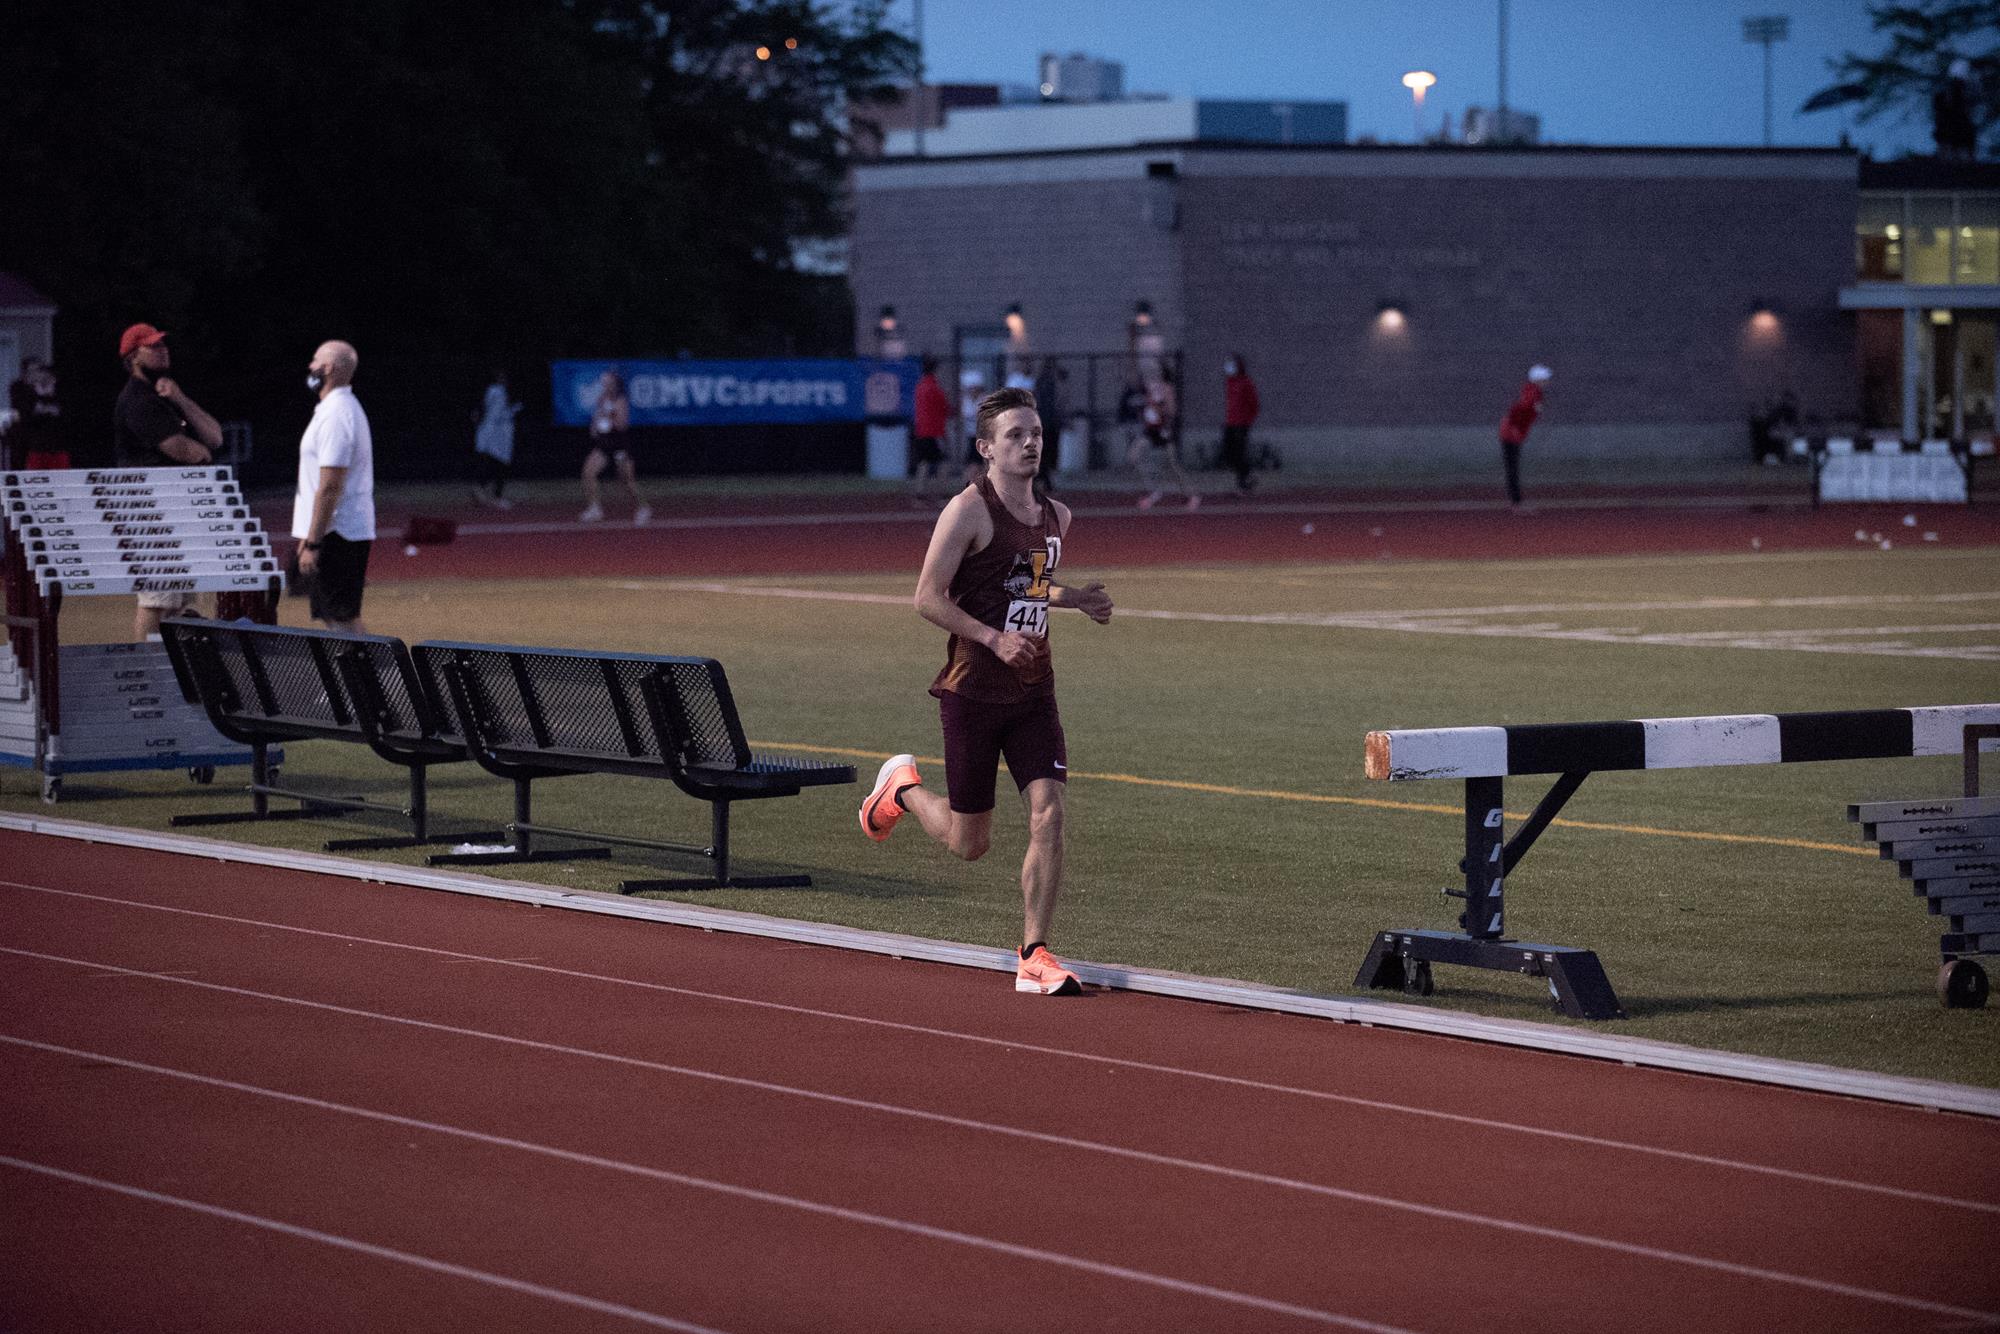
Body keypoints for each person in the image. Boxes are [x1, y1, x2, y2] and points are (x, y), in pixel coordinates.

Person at [859, 385, 1115, 996]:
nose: (1031, 444)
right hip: (973, 691)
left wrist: (1076, 599)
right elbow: (927, 597)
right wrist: (992, 639)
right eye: (1016, 436)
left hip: (1033, 689)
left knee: (1049, 813)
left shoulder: (1056, 517)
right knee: (968, 844)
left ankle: (1034, 954)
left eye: (1037, 434)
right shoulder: (968, 511)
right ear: (986, 448)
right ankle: (902, 789)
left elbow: (1026, 588)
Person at [113, 323, 222, 639]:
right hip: (149, 510)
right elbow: (184, 450)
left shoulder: (164, 394)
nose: (163, 350)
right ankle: (149, 667)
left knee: (178, 599)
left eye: (163, 345)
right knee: (157, 599)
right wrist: (199, 452)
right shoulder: (137, 399)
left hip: (172, 507)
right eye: (153, 346)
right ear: (134, 356)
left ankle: (169, 668)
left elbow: (213, 438)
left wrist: (181, 398)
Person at [291, 340, 376, 633]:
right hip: (335, 529)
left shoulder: (337, 414)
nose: (310, 367)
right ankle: (359, 676)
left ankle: (367, 678)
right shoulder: (334, 409)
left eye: (315, 361)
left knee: (340, 617)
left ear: (328, 368)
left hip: (338, 531)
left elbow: (330, 485)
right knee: (333, 615)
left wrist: (313, 541)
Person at [580, 369, 649, 525]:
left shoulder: (621, 400)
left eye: (608, 383)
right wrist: (594, 426)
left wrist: (609, 416)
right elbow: (596, 417)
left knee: (626, 480)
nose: (605, 386)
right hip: (604, 443)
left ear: (615, 385)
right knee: (588, 472)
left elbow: (622, 425)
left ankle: (643, 507)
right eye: (604, 383)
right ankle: (595, 509)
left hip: (620, 445)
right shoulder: (602, 399)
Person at [1132, 366, 1198, 510]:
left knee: (1172, 465)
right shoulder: (1148, 390)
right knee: (1135, 455)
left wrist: (1160, 409)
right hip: (1149, 432)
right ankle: (1155, 490)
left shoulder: (1166, 389)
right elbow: (1146, 410)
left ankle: (1190, 494)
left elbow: (1171, 412)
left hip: (1162, 432)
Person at [1499, 363, 1552, 510]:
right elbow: (1518, 410)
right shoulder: (1533, 392)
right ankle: (1516, 502)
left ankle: (1516, 501)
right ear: (1538, 379)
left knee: (1513, 467)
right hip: (1510, 433)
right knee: (1512, 467)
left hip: (1513, 432)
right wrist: (1515, 428)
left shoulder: (1534, 391)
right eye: (1545, 378)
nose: (1547, 380)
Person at [471, 371, 521, 508]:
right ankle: (483, 491)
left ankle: (495, 494)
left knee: (501, 463)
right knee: (489, 461)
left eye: (504, 377)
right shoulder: (494, 391)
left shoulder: (506, 393)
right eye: (500, 377)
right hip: (492, 432)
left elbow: (511, 410)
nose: (503, 380)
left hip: (502, 433)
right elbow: (480, 411)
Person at [8, 358, 67, 471]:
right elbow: (24, 415)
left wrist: (49, 395)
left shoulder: (57, 391)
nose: (37, 375)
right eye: (34, 371)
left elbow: (64, 416)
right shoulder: (21, 390)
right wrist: (39, 395)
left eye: (39, 371)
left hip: (56, 446)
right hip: (32, 446)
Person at [910, 355, 951, 503]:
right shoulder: (935, 388)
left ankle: (919, 494)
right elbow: (946, 409)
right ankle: (942, 493)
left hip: (921, 431)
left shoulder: (920, 387)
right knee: (943, 462)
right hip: (935, 432)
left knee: (924, 462)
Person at [1219, 353, 1261, 492]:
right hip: (1230, 423)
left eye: (1232, 364)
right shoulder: (1230, 382)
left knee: (1239, 453)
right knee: (1229, 454)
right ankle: (1248, 476)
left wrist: (1247, 421)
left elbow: (1254, 404)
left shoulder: (1246, 382)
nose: (1229, 367)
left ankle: (1243, 483)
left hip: (1241, 424)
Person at [1032, 357, 1066, 489]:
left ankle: (1043, 479)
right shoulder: (1049, 384)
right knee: (1049, 453)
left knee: (1045, 453)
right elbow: (1058, 404)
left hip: (1045, 423)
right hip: (1048, 424)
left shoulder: (1039, 383)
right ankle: (1043, 479)